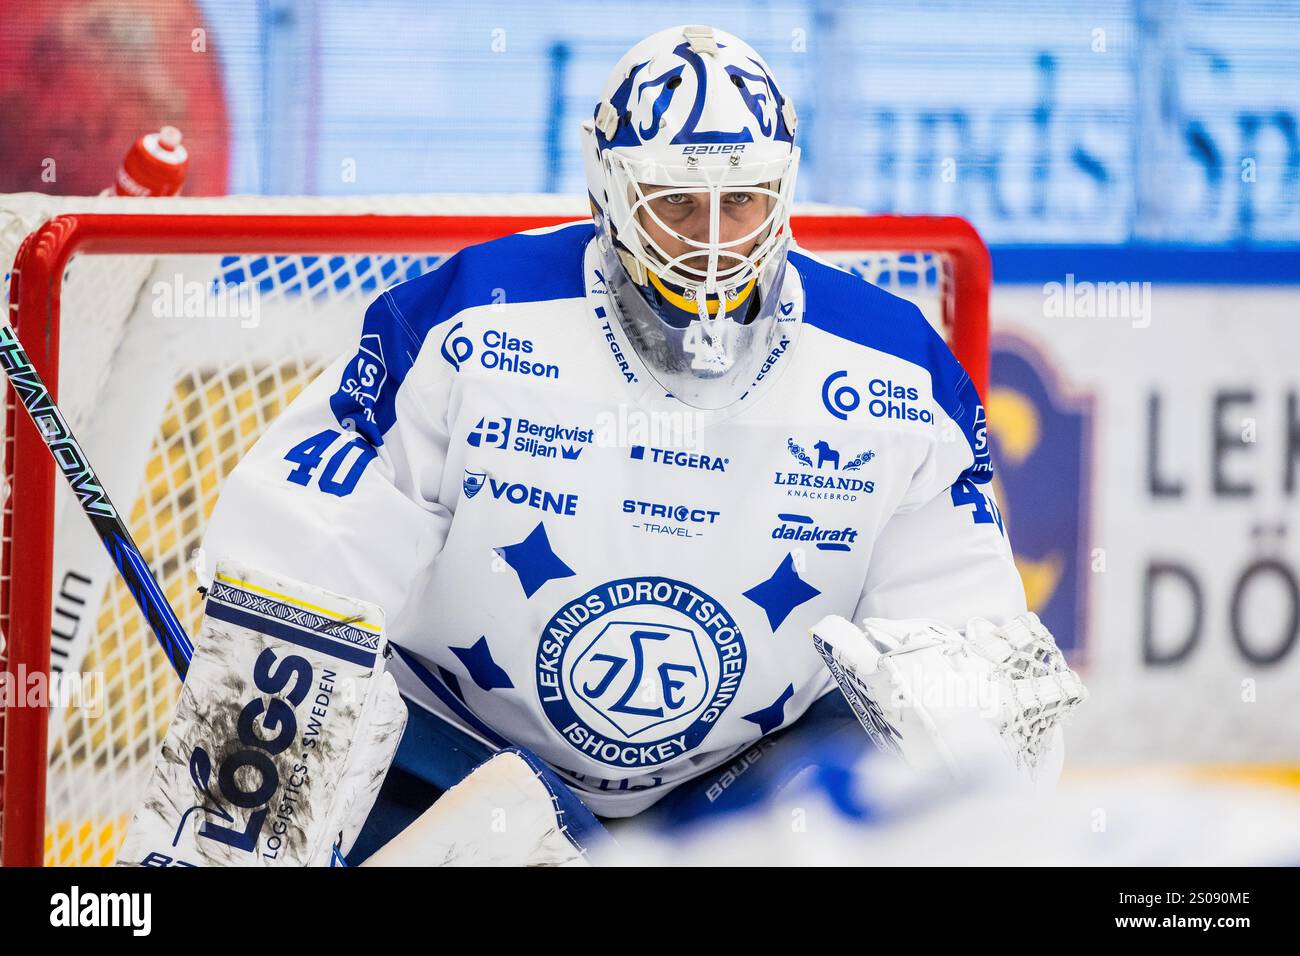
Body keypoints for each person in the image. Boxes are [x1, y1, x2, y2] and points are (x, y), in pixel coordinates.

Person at [200, 24, 1043, 863]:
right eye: (677, 203)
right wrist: (239, 803)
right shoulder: (466, 325)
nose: (714, 243)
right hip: (460, 765)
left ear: (781, 194)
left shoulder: (893, 373)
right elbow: (303, 564)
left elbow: (964, 652)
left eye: (741, 201)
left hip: (746, 786)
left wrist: (984, 829)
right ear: (609, 191)